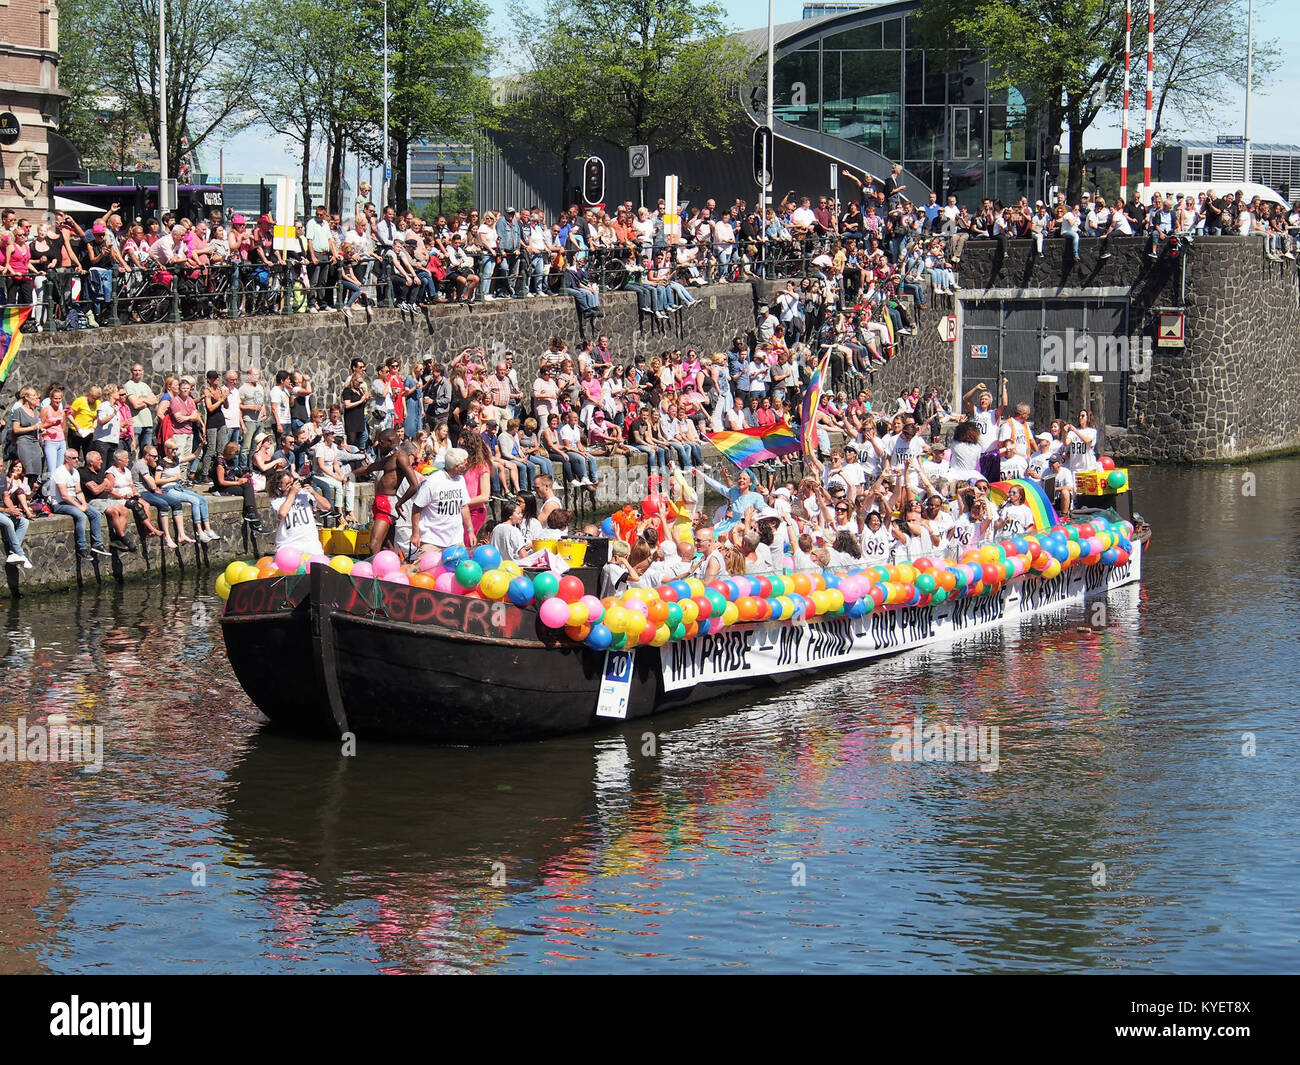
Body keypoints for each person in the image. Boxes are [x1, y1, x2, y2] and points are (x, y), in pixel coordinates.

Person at [398, 446, 473, 557]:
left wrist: (470, 530)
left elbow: (464, 507)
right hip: (432, 539)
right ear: (456, 466)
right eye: (465, 463)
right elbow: (417, 507)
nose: (467, 466)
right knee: (424, 571)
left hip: (455, 539)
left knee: (457, 572)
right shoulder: (432, 482)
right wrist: (415, 533)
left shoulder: (460, 480)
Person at [45, 452, 106, 561]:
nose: (77, 460)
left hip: (74, 500)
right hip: (59, 503)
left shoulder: (75, 472)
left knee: (96, 514)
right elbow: (64, 496)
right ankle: (82, 548)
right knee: (81, 516)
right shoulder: (60, 472)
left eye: (78, 458)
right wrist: (79, 507)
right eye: (74, 458)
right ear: (66, 459)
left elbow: (78, 491)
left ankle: (97, 544)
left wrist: (83, 504)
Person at [269, 469, 332, 554]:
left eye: (292, 483)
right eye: (288, 484)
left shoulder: (304, 494)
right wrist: (292, 493)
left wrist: (313, 492)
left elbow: (327, 506)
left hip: (310, 542)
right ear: (280, 487)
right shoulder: (276, 499)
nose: (292, 486)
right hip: (288, 544)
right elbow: (282, 513)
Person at [1, 459, 35, 568]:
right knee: (8, 523)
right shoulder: (6, 478)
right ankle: (21, 554)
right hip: (2, 511)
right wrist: (6, 510)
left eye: (1, 466)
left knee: (24, 521)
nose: (0, 468)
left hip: (4, 509)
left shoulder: (1, 478)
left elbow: (6, 497)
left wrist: (13, 510)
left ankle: (13, 554)